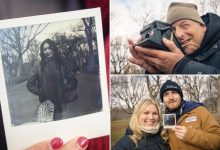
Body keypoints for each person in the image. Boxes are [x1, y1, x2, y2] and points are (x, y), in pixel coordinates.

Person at [128, 2, 220, 74]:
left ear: (202, 26)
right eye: (173, 30)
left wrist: (181, 66)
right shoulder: (173, 53)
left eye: (185, 26)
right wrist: (160, 70)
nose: (178, 35)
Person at [160, 80, 220, 150]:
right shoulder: (164, 119)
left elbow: (217, 140)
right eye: (166, 94)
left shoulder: (199, 110)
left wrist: (189, 135)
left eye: (174, 92)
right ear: (163, 100)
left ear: (180, 96)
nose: (171, 97)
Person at [26, 38, 65, 121]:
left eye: (49, 48)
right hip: (46, 102)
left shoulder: (60, 63)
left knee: (59, 124)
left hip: (60, 101)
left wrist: (65, 88)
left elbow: (72, 80)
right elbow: (29, 84)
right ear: (42, 51)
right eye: (45, 49)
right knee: (49, 127)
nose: (47, 51)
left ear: (53, 48)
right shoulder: (38, 65)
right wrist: (40, 92)